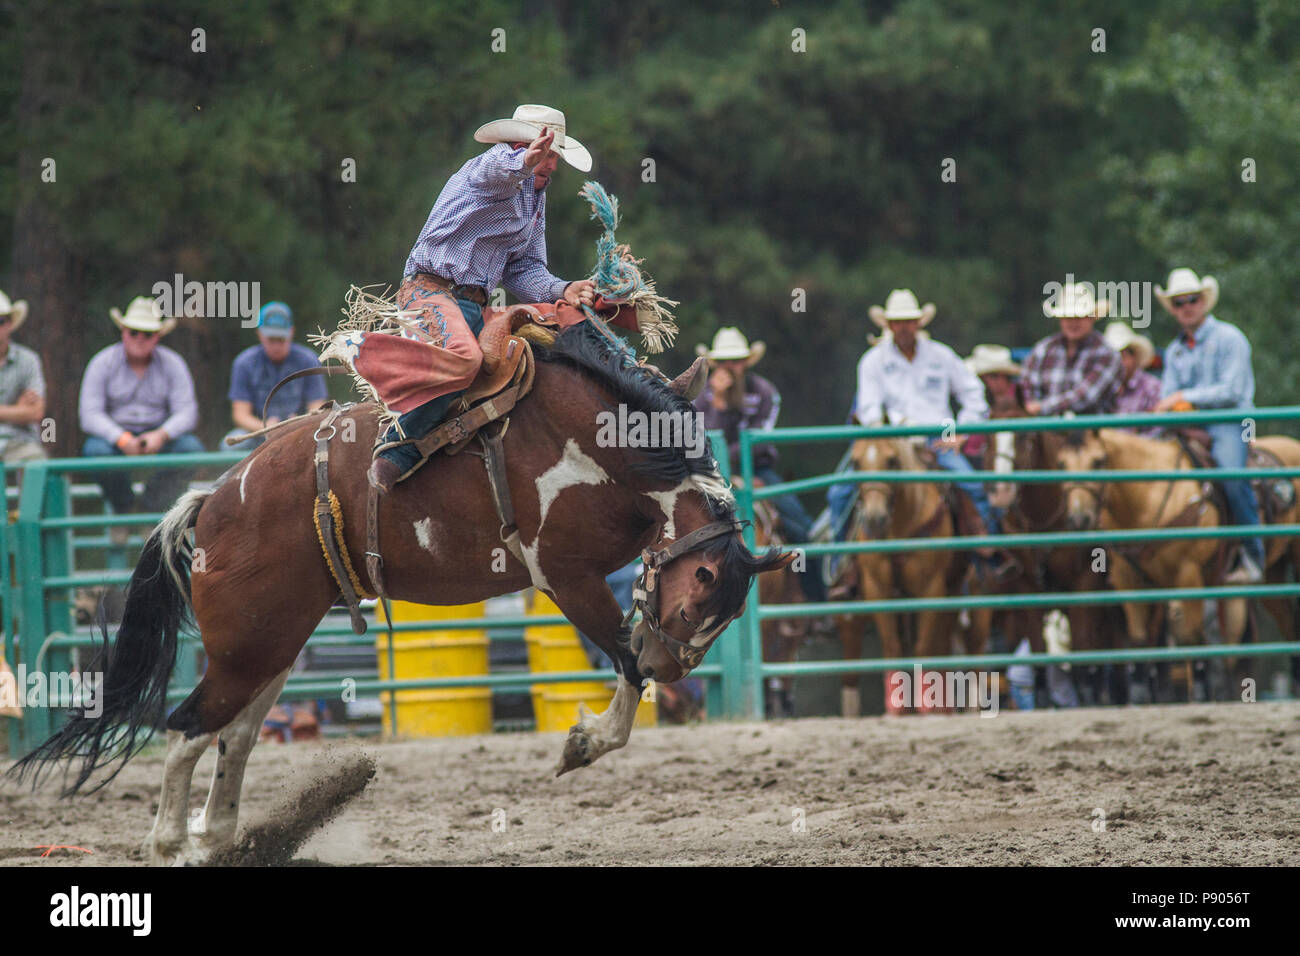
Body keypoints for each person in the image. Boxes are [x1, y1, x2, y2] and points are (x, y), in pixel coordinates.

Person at [366, 104, 600, 494]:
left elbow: (525, 269)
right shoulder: (488, 168)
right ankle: (397, 444)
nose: (549, 163)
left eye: (553, 155)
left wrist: (565, 290)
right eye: (541, 151)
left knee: (552, 344)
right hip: (429, 292)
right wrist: (525, 161)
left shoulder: (535, 200)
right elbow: (500, 171)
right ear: (513, 144)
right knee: (466, 359)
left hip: (474, 305)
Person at [852, 289, 1013, 579]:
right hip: (890, 441)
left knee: (973, 486)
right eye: (898, 321)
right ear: (888, 325)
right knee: (842, 492)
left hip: (939, 439)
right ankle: (844, 567)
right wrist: (890, 435)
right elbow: (869, 410)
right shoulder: (873, 361)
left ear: (918, 323)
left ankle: (991, 558)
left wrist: (959, 433)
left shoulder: (941, 356)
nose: (903, 327)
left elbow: (973, 394)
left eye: (909, 321)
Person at [692, 328, 823, 601]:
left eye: (737, 360)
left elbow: (760, 440)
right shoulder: (702, 398)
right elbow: (704, 441)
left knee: (800, 527)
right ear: (715, 364)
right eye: (725, 361)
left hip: (758, 469)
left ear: (746, 362)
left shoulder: (764, 392)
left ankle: (815, 602)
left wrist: (735, 464)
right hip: (711, 473)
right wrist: (718, 403)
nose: (731, 367)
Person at [1152, 268, 1263, 584]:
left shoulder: (1230, 337)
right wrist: (1174, 406)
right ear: (1172, 309)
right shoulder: (1174, 351)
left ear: (1204, 301)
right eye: (1178, 302)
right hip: (1189, 424)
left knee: (1231, 476)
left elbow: (1231, 391)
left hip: (1232, 422)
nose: (1186, 306)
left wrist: (1183, 397)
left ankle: (1253, 556)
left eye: (1191, 299)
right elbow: (1166, 397)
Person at [79, 296, 204, 515]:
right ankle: (124, 507)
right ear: (123, 332)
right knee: (96, 451)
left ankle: (152, 506)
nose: (139, 338)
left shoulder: (173, 363)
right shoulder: (102, 362)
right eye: (133, 332)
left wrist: (161, 435)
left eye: (147, 334)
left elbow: (187, 412)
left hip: (160, 435)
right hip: (114, 439)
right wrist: (121, 437)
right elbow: (89, 414)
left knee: (191, 449)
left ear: (158, 337)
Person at [226, 301, 328, 450]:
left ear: (291, 332)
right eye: (271, 339)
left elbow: (318, 407)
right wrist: (265, 427)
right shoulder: (244, 363)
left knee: (326, 439)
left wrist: (301, 422)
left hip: (301, 432)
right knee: (231, 445)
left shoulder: (308, 360)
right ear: (259, 333)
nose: (276, 346)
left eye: (281, 339)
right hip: (259, 434)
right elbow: (240, 414)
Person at [1021, 282, 1122, 417]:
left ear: (1092, 318)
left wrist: (1041, 407)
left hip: (1090, 428)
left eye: (1079, 317)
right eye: (1068, 317)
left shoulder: (1106, 353)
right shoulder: (1043, 349)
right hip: (1045, 427)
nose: (1073, 323)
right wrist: (1033, 407)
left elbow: (1086, 395)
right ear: (1061, 320)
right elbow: (1028, 387)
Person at [0, 290, 48, 465]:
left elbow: (37, 412)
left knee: (37, 462)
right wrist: (17, 409)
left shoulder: (29, 360)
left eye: (0, 321)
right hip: (18, 435)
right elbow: (30, 412)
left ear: (10, 324)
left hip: (20, 442)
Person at [1103, 321, 1162, 437]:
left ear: (1134, 356)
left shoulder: (1151, 387)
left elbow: (1158, 430)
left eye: (1122, 355)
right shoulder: (1104, 388)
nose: (1117, 362)